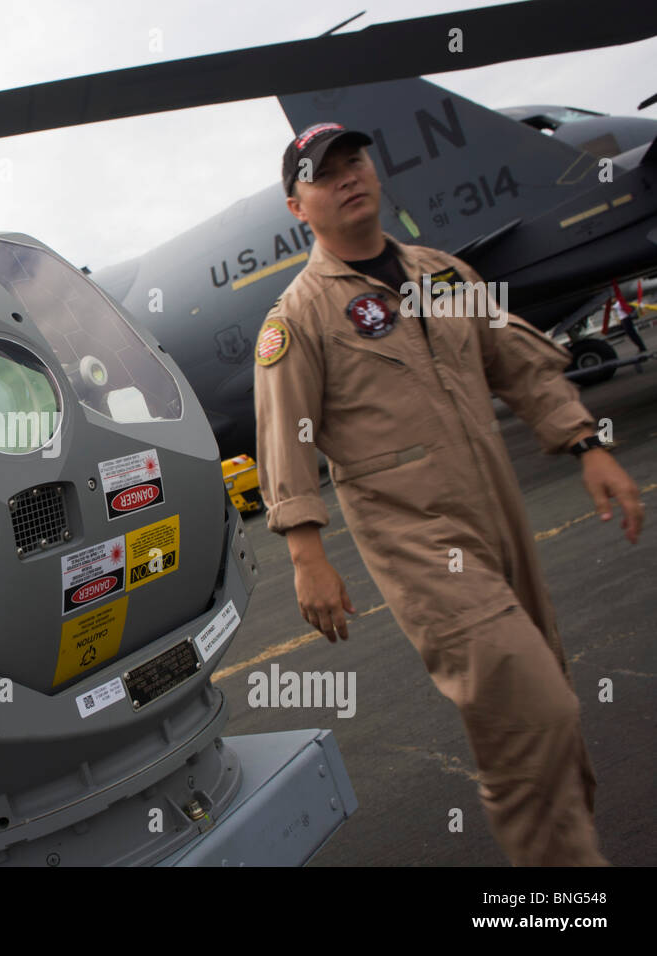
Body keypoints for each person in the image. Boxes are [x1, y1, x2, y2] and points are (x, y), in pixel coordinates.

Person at [253, 122, 645, 866]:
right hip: (420, 545)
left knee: (544, 701)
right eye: (324, 173)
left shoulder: (442, 274)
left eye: (355, 160)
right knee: (533, 711)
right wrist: (307, 553)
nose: (347, 177)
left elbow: (522, 367)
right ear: (297, 206)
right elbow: (287, 436)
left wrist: (586, 445)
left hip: (500, 519)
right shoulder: (297, 318)